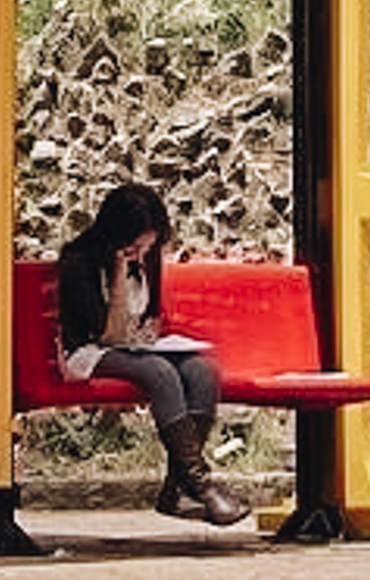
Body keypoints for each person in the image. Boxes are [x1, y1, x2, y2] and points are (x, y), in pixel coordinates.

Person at [57, 183, 250, 526]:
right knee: (159, 372)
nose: (145, 251)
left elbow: (150, 314)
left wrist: (150, 328)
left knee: (202, 370)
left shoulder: (148, 256)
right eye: (137, 244)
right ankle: (201, 484)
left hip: (134, 347)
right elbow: (107, 333)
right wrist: (118, 275)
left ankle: (177, 487)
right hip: (88, 352)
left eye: (150, 243)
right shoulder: (78, 260)